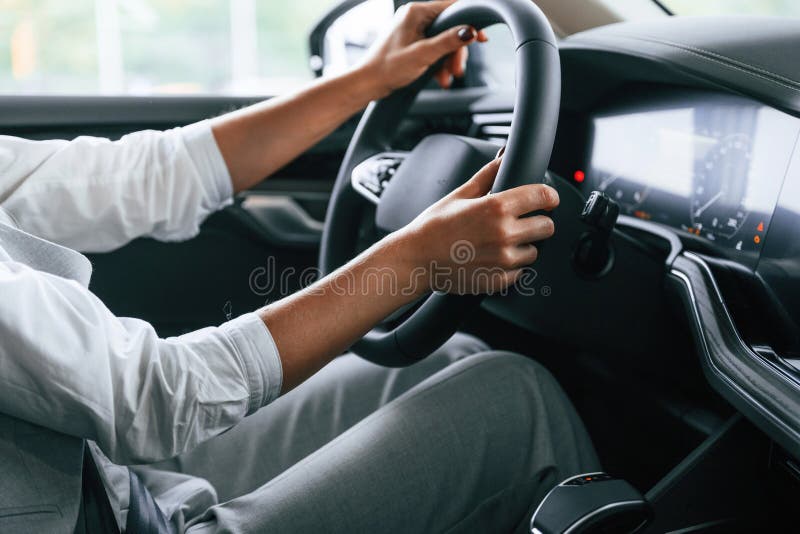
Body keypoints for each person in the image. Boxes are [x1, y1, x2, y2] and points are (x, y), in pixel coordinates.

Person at [0, 1, 599, 532]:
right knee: (519, 402)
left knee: (453, 358)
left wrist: (368, 79)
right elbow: (154, 397)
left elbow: (150, 177)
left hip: (110, 481)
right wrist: (417, 259)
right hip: (123, 508)